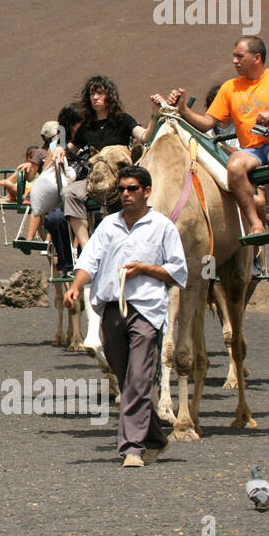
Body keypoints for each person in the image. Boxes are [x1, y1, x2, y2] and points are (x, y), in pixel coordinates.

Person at [63, 165, 187, 468]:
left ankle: (132, 448)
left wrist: (144, 269)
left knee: (138, 378)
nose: (126, 195)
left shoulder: (163, 227)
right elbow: (89, 259)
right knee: (124, 375)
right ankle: (156, 438)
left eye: (132, 189)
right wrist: (76, 287)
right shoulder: (108, 226)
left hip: (146, 310)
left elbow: (178, 270)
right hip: (111, 309)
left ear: (146, 191)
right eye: (121, 190)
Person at [170, 37, 269, 240]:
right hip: (252, 149)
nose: (234, 61)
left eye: (240, 56)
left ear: (257, 57)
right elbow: (207, 123)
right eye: (234, 57)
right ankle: (255, 223)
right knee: (235, 166)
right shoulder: (230, 88)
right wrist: (183, 110)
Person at [56, 77, 163, 252]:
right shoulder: (87, 127)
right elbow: (70, 149)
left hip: (119, 178)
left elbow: (144, 136)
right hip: (95, 178)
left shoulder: (123, 120)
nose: (95, 97)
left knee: (116, 192)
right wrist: (61, 149)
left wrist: (154, 115)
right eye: (92, 94)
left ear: (109, 96)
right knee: (69, 193)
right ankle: (87, 247)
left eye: (100, 93)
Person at [24, 103, 86, 245]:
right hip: (63, 194)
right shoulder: (57, 146)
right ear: (71, 124)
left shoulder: (90, 139)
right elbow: (47, 172)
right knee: (55, 217)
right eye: (81, 121)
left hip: (79, 192)